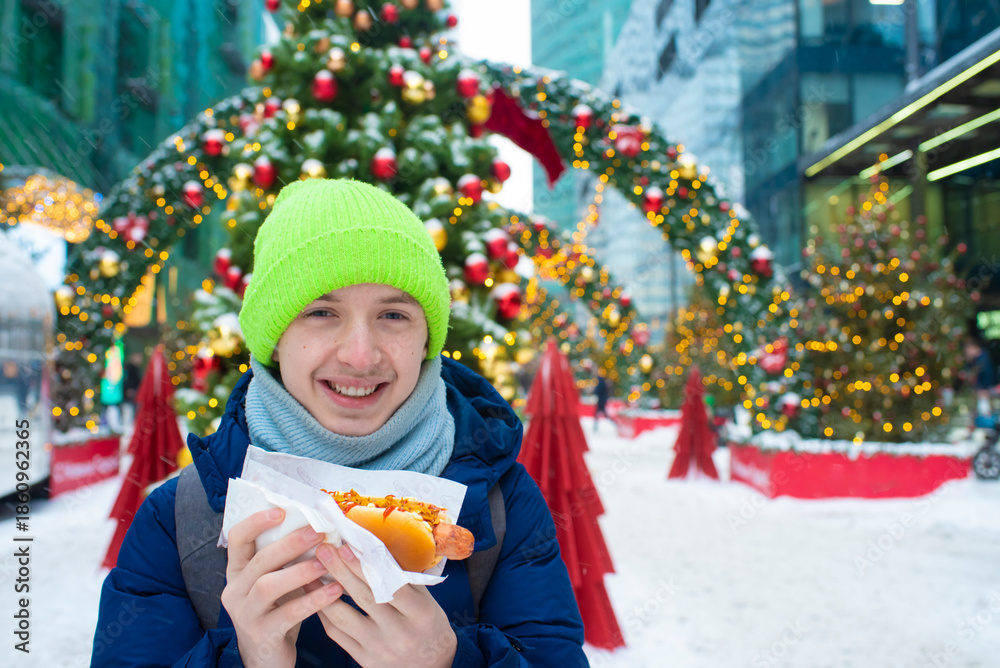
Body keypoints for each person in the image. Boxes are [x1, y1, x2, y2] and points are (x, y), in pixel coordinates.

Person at [91, 179, 587, 667]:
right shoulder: (180, 520)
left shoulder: (502, 506)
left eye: (393, 316)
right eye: (322, 312)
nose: (359, 355)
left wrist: (449, 662)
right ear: (274, 340)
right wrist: (248, 660)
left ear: (426, 340)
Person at [965, 337, 997, 417]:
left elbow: (988, 375)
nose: (966, 352)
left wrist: (984, 388)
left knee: (985, 411)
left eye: (967, 349)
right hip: (981, 391)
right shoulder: (976, 360)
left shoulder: (983, 359)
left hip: (986, 391)